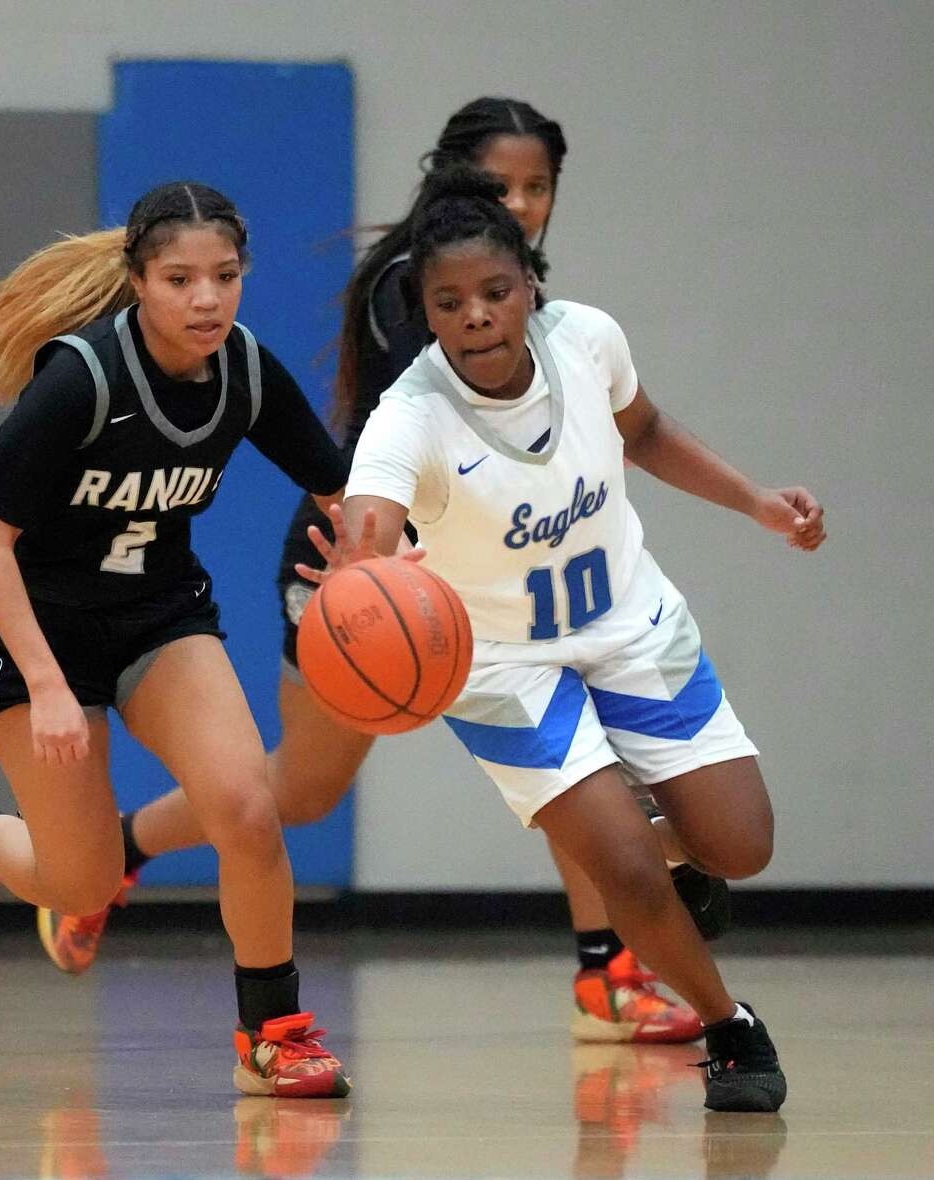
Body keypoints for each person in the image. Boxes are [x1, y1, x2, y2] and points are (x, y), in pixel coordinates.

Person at [43, 97, 716, 1049]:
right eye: (501, 185)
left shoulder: (532, 301)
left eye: (538, 187)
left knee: (581, 753)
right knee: (300, 790)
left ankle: (607, 972)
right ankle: (118, 850)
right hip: (366, 560)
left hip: (486, 562)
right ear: (455, 179)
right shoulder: (411, 288)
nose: (521, 204)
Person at [301, 163, 826, 1111]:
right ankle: (728, 1028)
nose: (475, 316)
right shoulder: (408, 417)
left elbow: (646, 432)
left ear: (529, 287)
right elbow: (369, 528)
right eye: (449, 302)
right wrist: (358, 576)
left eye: (495, 292)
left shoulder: (587, 340)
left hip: (630, 622)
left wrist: (754, 500)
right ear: (426, 313)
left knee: (741, 846)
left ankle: (669, 849)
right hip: (503, 668)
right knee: (621, 866)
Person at [0, 180, 352, 1099]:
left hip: (157, 613)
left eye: (225, 276)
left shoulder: (245, 370)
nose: (207, 299)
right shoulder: (83, 381)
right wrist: (48, 686)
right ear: (139, 281)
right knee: (81, 884)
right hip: (31, 630)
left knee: (249, 809)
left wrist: (383, 560)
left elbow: (340, 489)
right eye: (180, 279)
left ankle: (274, 1033)